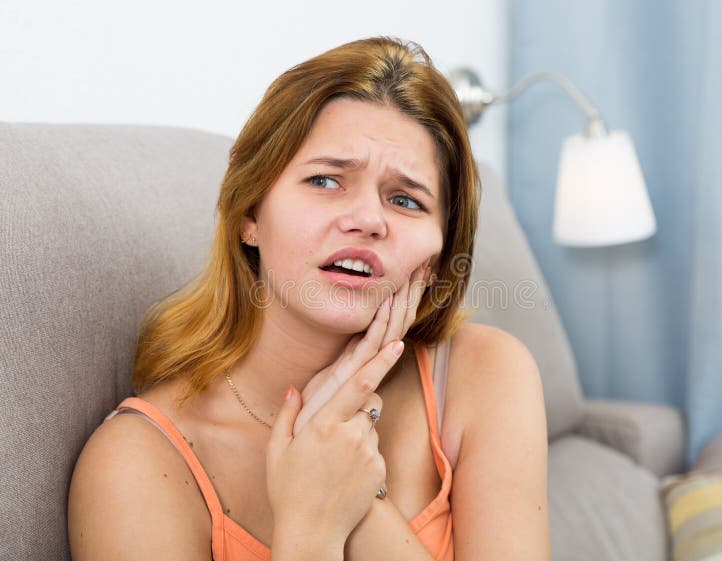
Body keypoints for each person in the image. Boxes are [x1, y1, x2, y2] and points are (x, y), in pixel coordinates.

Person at [67, 36, 550, 561]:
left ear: (435, 258)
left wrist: (357, 491)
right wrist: (312, 526)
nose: (368, 219)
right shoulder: (135, 465)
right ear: (251, 213)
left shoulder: (486, 375)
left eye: (405, 199)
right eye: (325, 180)